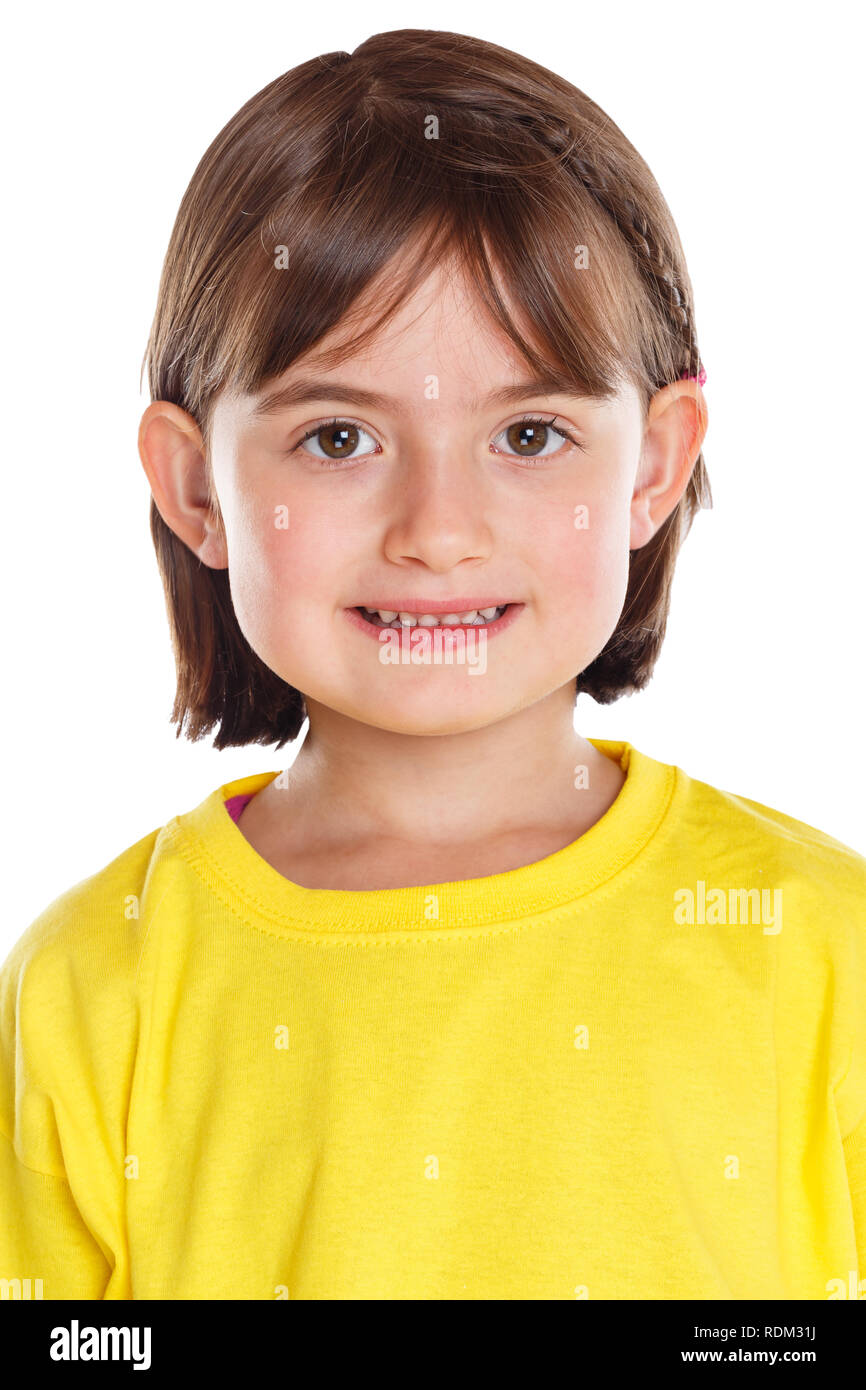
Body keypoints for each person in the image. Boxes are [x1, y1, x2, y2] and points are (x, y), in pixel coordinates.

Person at [1, 28, 863, 1300]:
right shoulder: (92, 983)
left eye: (528, 431)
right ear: (196, 488)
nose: (438, 531)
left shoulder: (823, 947)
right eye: (339, 437)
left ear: (652, 464)